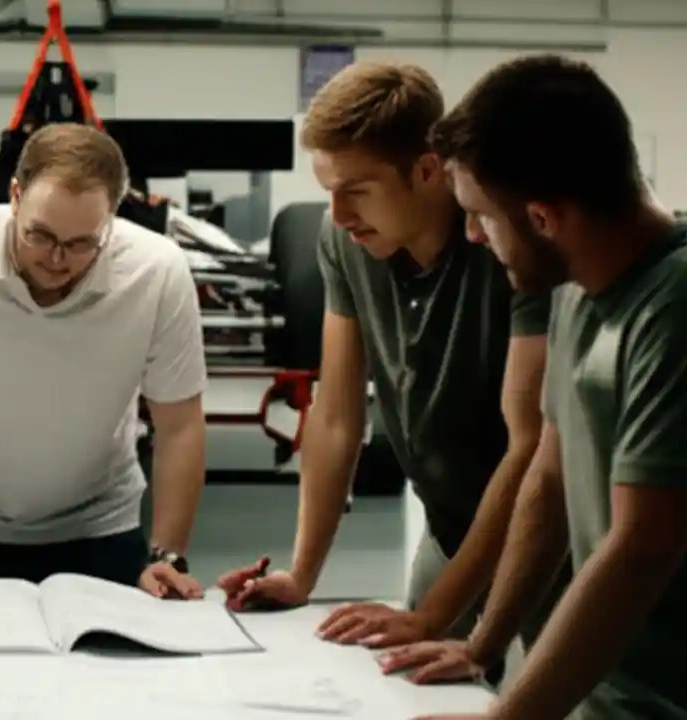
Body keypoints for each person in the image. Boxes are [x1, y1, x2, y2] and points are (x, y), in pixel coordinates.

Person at [216, 61, 562, 659]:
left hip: (546, 535)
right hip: (451, 529)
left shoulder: (502, 244)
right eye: (328, 191)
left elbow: (528, 449)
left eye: (355, 191)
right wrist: (302, 575)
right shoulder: (343, 242)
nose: (340, 214)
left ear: (428, 171)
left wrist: (433, 614)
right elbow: (336, 415)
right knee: (413, 680)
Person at [379, 55, 687, 720]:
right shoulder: (573, 289)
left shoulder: (674, 305)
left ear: (543, 218)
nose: (471, 235)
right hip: (602, 697)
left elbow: (643, 546)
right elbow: (548, 480)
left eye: (481, 216)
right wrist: (481, 645)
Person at [0, 122, 208, 599]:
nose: (55, 259)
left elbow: (180, 426)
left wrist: (167, 557)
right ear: (14, 195)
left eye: (80, 244)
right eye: (40, 235)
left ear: (112, 218)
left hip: (101, 527)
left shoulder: (157, 270)